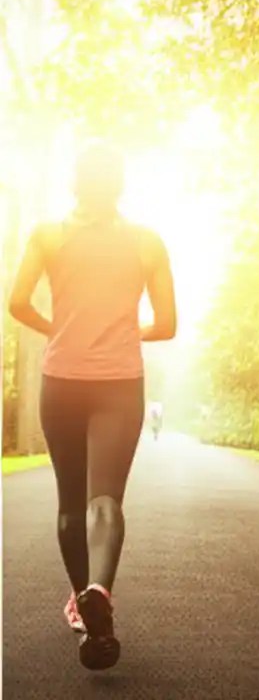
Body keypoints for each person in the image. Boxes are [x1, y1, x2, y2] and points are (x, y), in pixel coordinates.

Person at [7, 141, 176, 671]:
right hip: (119, 382)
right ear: (120, 186)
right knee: (105, 502)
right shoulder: (147, 243)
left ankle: (83, 605)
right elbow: (168, 325)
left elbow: (16, 303)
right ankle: (99, 590)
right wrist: (128, 330)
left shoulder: (48, 236)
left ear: (73, 183)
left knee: (68, 505)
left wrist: (61, 329)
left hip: (62, 380)